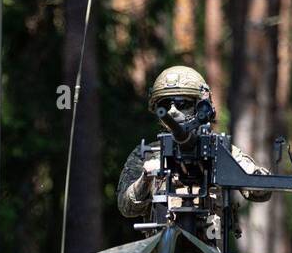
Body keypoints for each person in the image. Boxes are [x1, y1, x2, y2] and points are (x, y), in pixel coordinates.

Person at [115, 65, 273, 240]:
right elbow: (126, 207)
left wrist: (251, 177)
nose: (173, 111)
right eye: (165, 105)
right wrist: (145, 179)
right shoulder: (147, 154)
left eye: (183, 104)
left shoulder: (220, 149)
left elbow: (261, 191)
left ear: (200, 107)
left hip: (210, 249)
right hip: (162, 249)